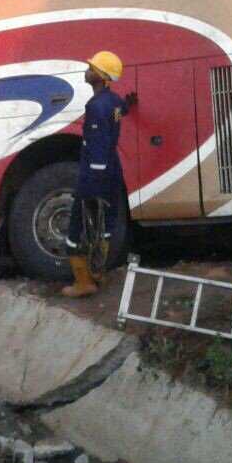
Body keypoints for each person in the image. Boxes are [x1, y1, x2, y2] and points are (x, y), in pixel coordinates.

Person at [62, 51, 137, 298]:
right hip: (112, 169)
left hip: (97, 170)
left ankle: (83, 283)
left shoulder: (95, 106)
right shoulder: (114, 102)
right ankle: (98, 273)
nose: (87, 69)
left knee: (77, 225)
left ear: (101, 77)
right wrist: (129, 103)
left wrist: (91, 183)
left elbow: (98, 143)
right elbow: (120, 111)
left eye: (92, 67)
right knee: (104, 224)